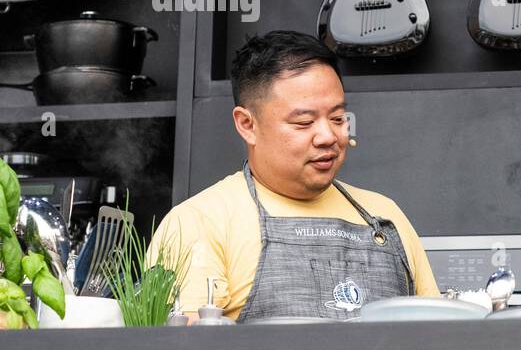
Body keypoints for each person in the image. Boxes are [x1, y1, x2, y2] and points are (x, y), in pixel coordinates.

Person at [148, 31, 438, 321]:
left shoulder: (385, 216)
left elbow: (436, 338)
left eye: (338, 119)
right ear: (247, 124)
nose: (327, 136)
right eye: (304, 122)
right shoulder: (199, 222)